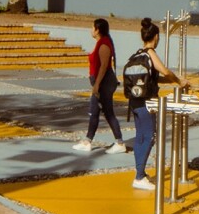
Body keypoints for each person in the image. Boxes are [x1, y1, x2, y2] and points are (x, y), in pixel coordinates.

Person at [127, 17, 185, 191]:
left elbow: (153, 78)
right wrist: (179, 81)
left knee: (140, 137)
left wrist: (172, 81)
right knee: (150, 137)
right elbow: (165, 71)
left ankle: (140, 173)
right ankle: (139, 177)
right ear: (156, 37)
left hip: (134, 101)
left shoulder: (137, 54)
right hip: (147, 102)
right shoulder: (151, 54)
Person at [73, 18, 127, 154]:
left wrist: (97, 85)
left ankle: (119, 142)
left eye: (92, 27)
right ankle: (88, 141)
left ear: (97, 30)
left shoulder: (104, 45)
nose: (91, 30)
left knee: (106, 112)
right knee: (95, 112)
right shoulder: (101, 43)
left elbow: (103, 67)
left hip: (103, 83)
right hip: (101, 83)